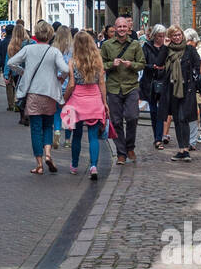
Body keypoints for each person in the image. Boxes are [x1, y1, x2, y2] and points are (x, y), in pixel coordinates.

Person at [8, 21, 69, 175]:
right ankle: (48, 154)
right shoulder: (54, 51)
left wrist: (23, 72)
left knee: (35, 129)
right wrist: (61, 78)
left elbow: (11, 62)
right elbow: (65, 69)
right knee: (48, 125)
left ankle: (39, 164)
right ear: (50, 35)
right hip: (50, 93)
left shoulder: (28, 49)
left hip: (34, 93)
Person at [100, 15, 146, 165]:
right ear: (114, 28)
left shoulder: (135, 45)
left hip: (131, 86)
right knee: (116, 121)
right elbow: (100, 65)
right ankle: (121, 153)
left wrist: (131, 65)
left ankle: (130, 146)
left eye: (124, 27)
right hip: (113, 87)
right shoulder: (107, 45)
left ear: (128, 28)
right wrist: (110, 65)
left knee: (133, 117)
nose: (121, 29)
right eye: (119, 27)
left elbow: (142, 64)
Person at [64, 31, 108, 180]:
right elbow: (101, 83)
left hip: (78, 100)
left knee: (76, 136)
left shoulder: (73, 62)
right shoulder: (97, 61)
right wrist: (104, 102)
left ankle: (75, 165)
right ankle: (93, 166)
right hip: (94, 99)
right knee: (93, 136)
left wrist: (64, 99)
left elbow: (71, 84)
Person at [161, 27, 201, 162]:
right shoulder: (168, 50)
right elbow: (159, 61)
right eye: (174, 36)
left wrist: (198, 85)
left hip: (187, 89)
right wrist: (164, 46)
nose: (177, 37)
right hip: (172, 89)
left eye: (179, 35)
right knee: (177, 120)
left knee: (183, 117)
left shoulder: (189, 49)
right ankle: (182, 149)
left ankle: (186, 149)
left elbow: (197, 66)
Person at [141, 25, 169, 149]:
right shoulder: (146, 47)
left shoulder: (166, 48)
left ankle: (159, 138)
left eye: (163, 36)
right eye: (159, 36)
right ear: (154, 36)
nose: (161, 39)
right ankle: (157, 137)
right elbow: (142, 63)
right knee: (153, 111)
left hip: (164, 81)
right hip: (150, 82)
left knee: (161, 111)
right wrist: (153, 66)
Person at [4, 23, 28, 117]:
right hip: (28, 71)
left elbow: (8, 60)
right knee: (28, 93)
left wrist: (6, 74)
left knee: (19, 93)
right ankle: (27, 114)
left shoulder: (12, 45)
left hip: (16, 72)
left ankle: (22, 116)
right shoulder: (30, 43)